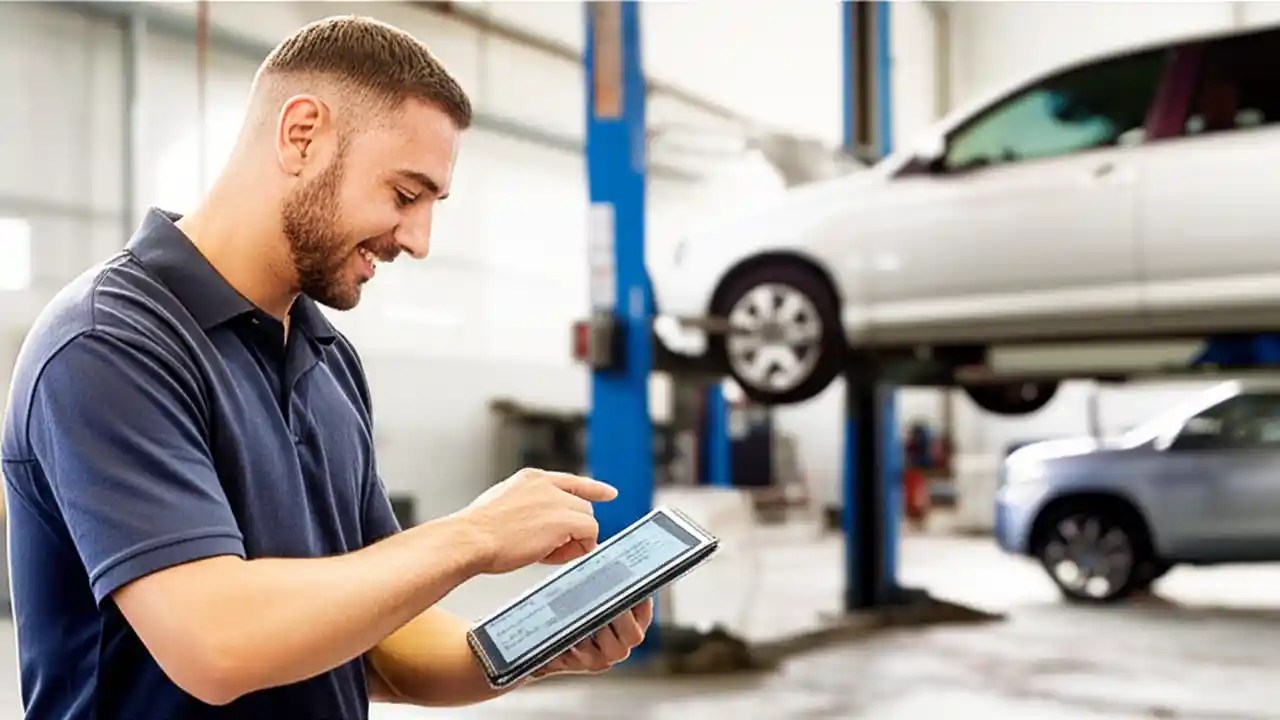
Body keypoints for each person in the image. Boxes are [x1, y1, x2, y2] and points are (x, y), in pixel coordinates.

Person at [0, 14, 650, 719]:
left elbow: (384, 646)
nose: (419, 241)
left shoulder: (326, 359)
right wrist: (474, 535)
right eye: (405, 195)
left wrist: (536, 646)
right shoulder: (108, 343)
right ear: (302, 135)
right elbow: (216, 644)